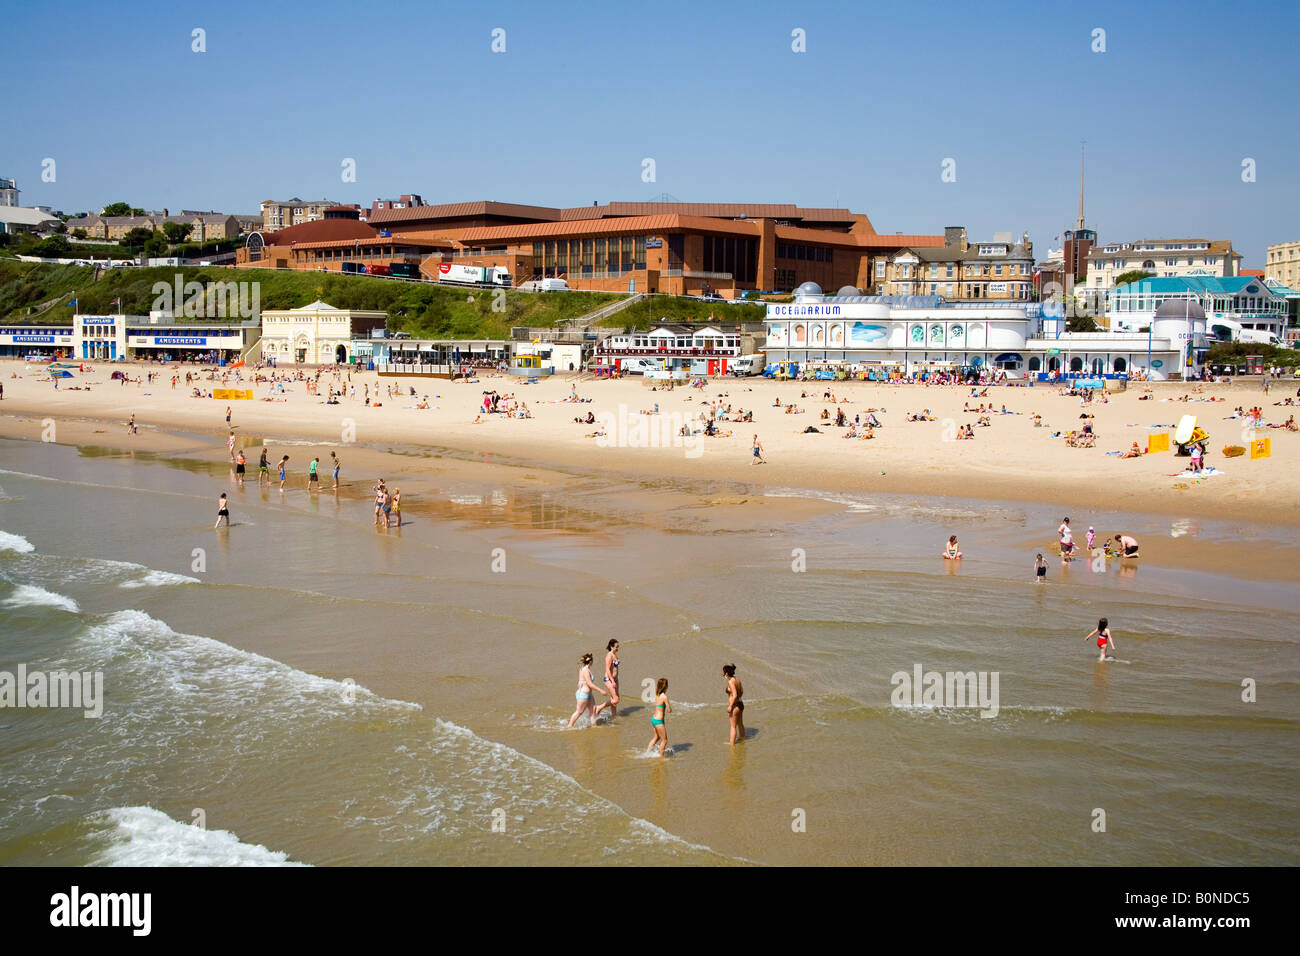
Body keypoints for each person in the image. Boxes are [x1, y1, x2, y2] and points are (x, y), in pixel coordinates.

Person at [567, 653, 607, 729]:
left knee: (593, 711)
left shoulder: (582, 669)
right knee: (579, 712)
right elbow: (590, 684)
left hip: (588, 694)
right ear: (591, 661)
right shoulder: (586, 670)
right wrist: (601, 690)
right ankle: (569, 726)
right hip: (583, 695)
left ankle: (594, 726)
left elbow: (580, 681)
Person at [593, 639, 621, 720]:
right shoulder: (609, 655)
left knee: (614, 698)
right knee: (616, 700)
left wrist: (615, 680)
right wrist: (612, 681)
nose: (617, 648)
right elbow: (608, 670)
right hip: (609, 679)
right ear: (611, 647)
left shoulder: (614, 654)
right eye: (616, 647)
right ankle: (599, 707)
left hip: (615, 679)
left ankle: (614, 715)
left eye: (618, 647)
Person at [647, 677, 670, 756]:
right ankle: (661, 758)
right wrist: (669, 707)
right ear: (665, 686)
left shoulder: (657, 694)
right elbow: (669, 710)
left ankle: (648, 753)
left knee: (656, 737)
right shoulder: (664, 697)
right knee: (664, 740)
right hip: (659, 721)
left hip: (654, 719)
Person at [723, 664, 745, 745]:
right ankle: (742, 740)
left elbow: (735, 695)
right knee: (740, 724)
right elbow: (741, 691)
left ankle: (732, 745)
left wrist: (730, 706)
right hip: (740, 703)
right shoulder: (737, 679)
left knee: (733, 726)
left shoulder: (731, 682)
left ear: (726, 673)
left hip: (735, 706)